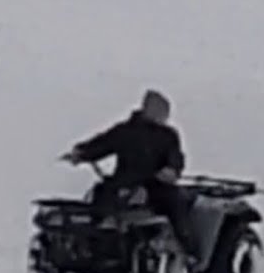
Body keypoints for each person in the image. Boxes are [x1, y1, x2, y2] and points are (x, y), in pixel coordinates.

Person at [60, 90, 195, 259]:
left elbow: (175, 157)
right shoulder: (126, 131)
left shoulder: (168, 136)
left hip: (156, 185)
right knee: (100, 200)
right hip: (124, 182)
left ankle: (187, 249)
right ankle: (92, 245)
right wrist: (81, 153)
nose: (164, 117)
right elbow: (103, 143)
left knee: (177, 202)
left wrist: (172, 170)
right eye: (162, 111)